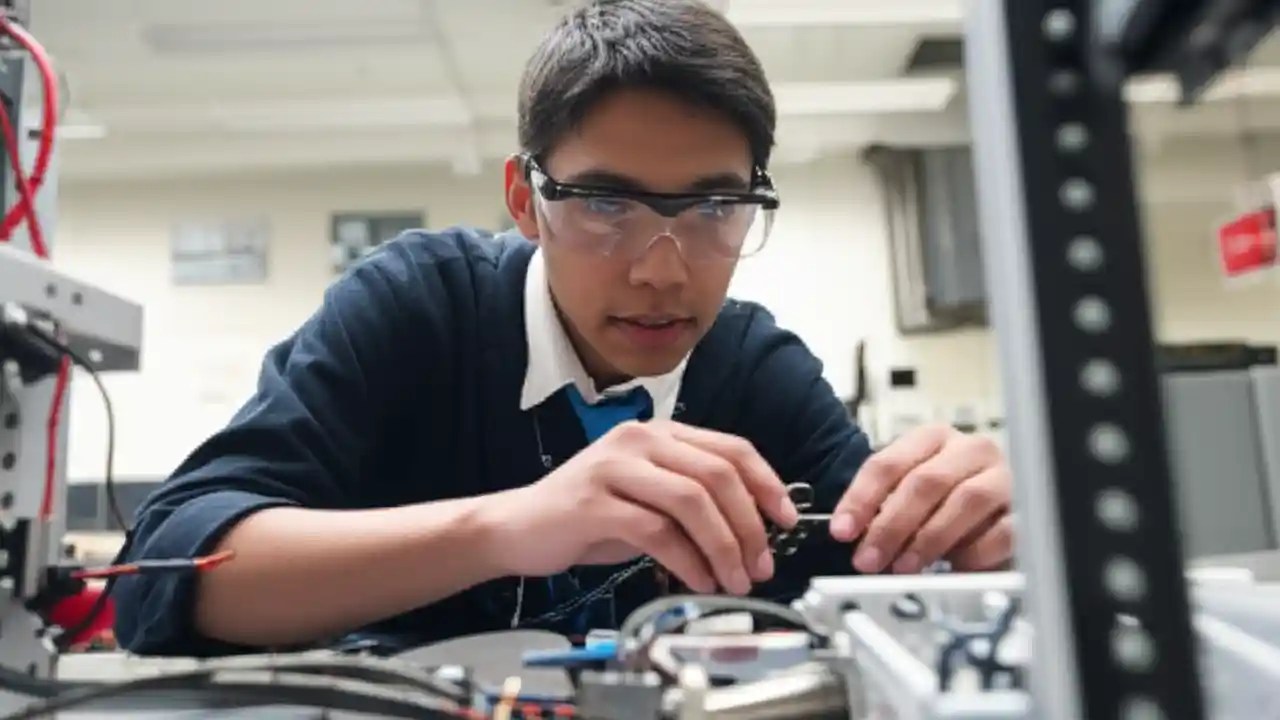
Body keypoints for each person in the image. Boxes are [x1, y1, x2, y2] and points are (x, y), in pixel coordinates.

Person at [113, 0, 1013, 656]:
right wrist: (509, 528)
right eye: (605, 203)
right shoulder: (419, 308)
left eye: (713, 207)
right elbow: (163, 575)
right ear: (524, 200)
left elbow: (894, 597)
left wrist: (983, 541)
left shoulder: (754, 368)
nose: (662, 268)